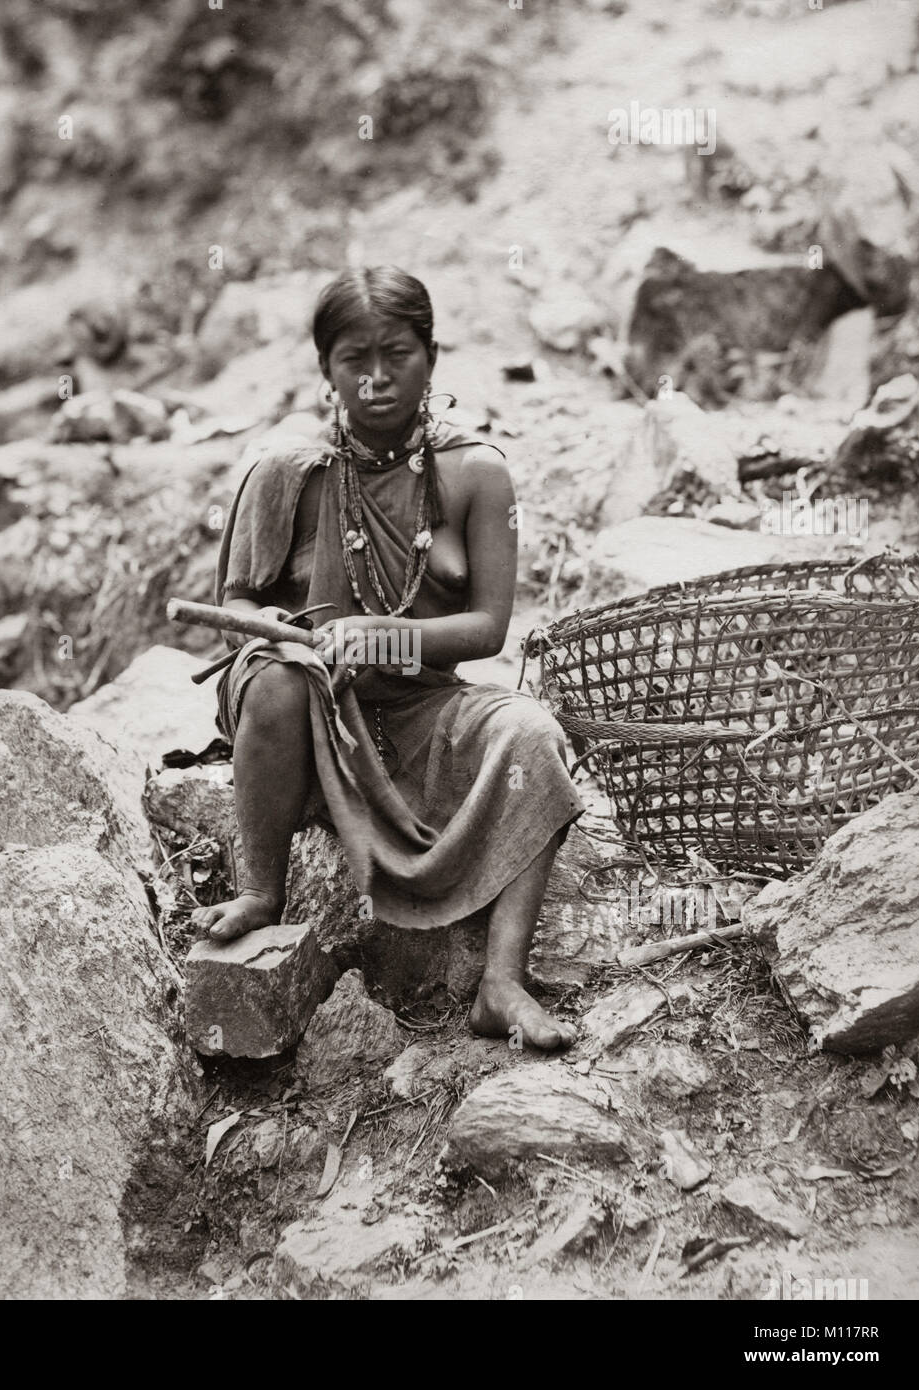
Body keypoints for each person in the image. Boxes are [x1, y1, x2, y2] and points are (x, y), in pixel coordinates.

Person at [191, 266, 585, 1049]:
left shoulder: (477, 473)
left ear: (432, 356)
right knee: (276, 681)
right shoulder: (287, 468)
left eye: (397, 354)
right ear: (325, 370)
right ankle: (261, 893)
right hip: (305, 704)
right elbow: (235, 608)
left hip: (415, 706)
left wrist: (388, 636)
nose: (376, 379)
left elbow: (487, 630)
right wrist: (268, 626)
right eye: (354, 361)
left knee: (531, 735)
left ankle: (501, 982)